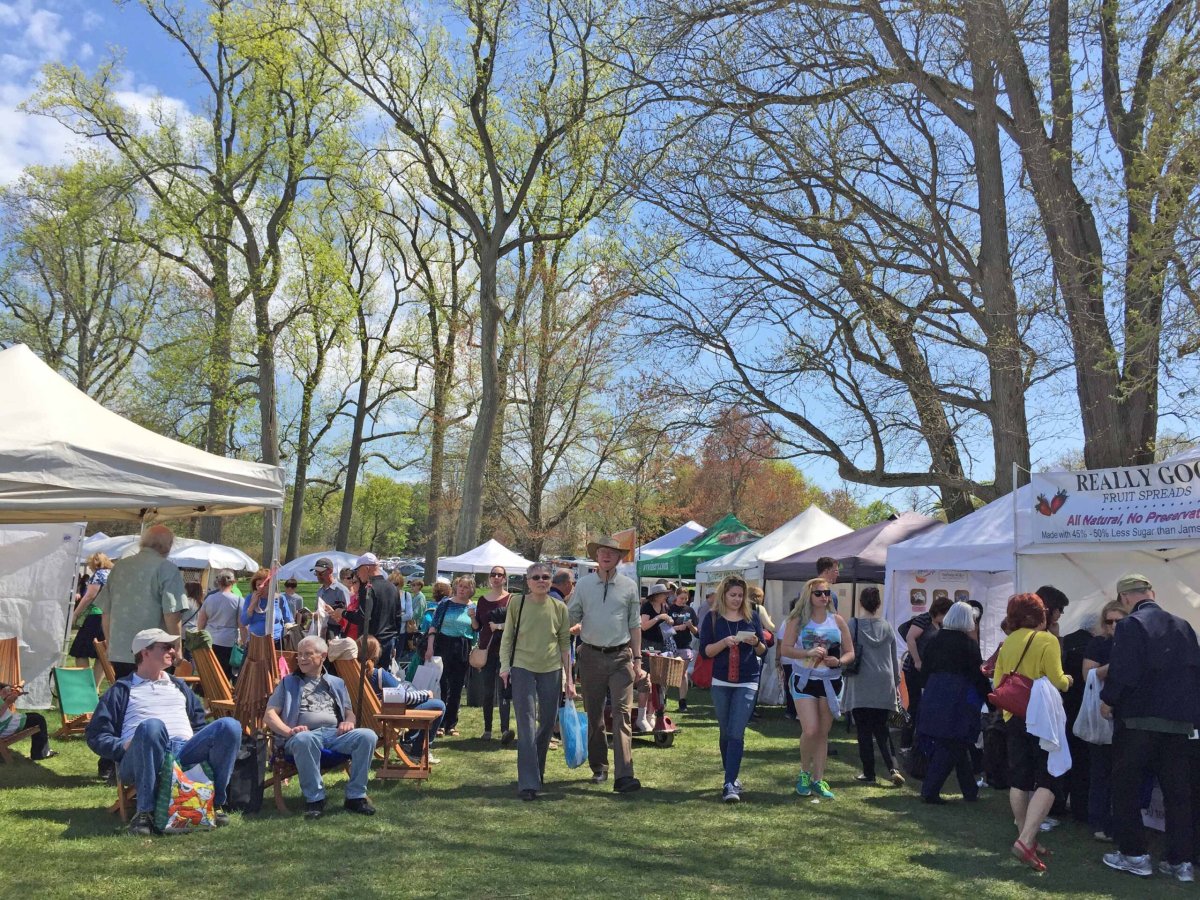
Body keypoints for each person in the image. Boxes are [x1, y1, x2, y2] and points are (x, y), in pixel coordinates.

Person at [85, 628, 242, 835]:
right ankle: (144, 813)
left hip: (185, 752)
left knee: (230, 726)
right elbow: (96, 734)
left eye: (173, 646)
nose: (173, 650)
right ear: (145, 652)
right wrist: (121, 746)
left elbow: (198, 725)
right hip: (142, 754)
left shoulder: (178, 686)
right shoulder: (122, 689)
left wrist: (198, 742)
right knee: (152, 726)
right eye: (166, 646)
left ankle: (215, 802)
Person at [1100, 574, 1200, 882]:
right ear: (1151, 593)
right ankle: (1180, 861)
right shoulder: (1184, 625)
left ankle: (1134, 855)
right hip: (1180, 723)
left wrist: (1108, 699)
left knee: (1127, 787)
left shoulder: (1131, 625)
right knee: (1178, 793)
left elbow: (1123, 672)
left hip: (1139, 721)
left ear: (1126, 598)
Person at [994, 593, 1071, 872]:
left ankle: (1026, 837)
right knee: (1050, 777)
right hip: (1041, 717)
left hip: (1014, 715)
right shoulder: (1047, 640)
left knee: (1020, 778)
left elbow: (997, 680)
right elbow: (1058, 680)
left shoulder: (1008, 642)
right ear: (1041, 614)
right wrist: (1069, 680)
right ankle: (1026, 840)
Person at [262, 635, 377, 819]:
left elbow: (350, 713)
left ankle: (355, 796)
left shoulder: (337, 683)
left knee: (368, 736)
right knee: (305, 738)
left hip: (334, 735)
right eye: (300, 654)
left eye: (308, 654)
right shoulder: (288, 683)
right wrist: (289, 731)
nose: (302, 658)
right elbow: (269, 715)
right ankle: (315, 799)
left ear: (323, 656)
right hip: (302, 736)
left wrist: (349, 722)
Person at [568, 533, 643, 794]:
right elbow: (571, 615)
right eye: (602, 552)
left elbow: (635, 624)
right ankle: (599, 766)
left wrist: (638, 659)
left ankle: (625, 776)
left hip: (621, 656)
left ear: (620, 558)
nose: (606, 555)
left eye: (612, 552)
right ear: (596, 557)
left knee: (622, 715)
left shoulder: (629, 586)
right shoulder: (584, 585)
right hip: (590, 656)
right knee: (595, 716)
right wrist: (571, 626)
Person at [499, 562, 575, 800]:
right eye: (536, 577)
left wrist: (569, 679)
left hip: (551, 669)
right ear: (528, 581)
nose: (541, 581)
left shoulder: (559, 607)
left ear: (551, 581)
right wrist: (504, 668)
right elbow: (507, 637)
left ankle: (537, 771)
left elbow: (565, 644)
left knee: (547, 723)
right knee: (526, 724)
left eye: (545, 577)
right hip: (522, 668)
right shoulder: (517, 603)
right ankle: (528, 783)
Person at [781, 577, 854, 800]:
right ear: (809, 596)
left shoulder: (838, 621)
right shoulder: (798, 620)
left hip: (830, 680)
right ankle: (804, 772)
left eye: (827, 593)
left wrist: (839, 661)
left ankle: (818, 778)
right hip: (805, 679)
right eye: (819, 593)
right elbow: (785, 649)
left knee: (823, 732)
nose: (824, 597)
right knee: (811, 730)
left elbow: (850, 652)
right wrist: (807, 653)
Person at [698, 574, 764, 802]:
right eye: (732, 595)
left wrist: (756, 642)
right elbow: (705, 651)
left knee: (736, 731)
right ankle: (732, 777)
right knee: (726, 732)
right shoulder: (713, 618)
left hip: (747, 679)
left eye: (740, 595)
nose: (737, 599)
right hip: (721, 681)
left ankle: (729, 784)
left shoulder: (751, 617)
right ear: (723, 595)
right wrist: (723, 643)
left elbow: (763, 650)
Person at [916, 602, 990, 803]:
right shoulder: (967, 644)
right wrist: (991, 700)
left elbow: (925, 670)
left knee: (956, 743)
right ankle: (930, 791)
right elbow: (978, 676)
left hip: (935, 692)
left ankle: (970, 791)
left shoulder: (934, 639)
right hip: (958, 697)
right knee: (953, 743)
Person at [100, 525, 188, 678]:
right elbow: (172, 614)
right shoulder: (167, 569)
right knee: (151, 698)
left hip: (121, 650)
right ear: (168, 545)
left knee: (126, 697)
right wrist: (177, 648)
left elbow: (106, 612)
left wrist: (110, 644)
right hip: (154, 652)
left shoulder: (119, 567)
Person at [842, 586, 903, 786]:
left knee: (864, 731)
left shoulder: (854, 624)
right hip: (884, 683)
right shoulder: (887, 626)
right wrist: (896, 681)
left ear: (861, 602)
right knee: (882, 730)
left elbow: (846, 649)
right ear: (878, 604)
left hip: (861, 682)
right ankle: (893, 767)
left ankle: (869, 772)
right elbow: (893, 658)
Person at [1082, 599, 1126, 842]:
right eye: (1108, 621)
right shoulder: (1099, 643)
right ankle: (1098, 821)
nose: (1113, 626)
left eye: (1118, 621)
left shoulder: (1135, 643)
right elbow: (1087, 674)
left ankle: (1120, 822)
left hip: (1128, 715)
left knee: (1123, 772)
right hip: (1101, 713)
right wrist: (1114, 666)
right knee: (1100, 770)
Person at [361, 635, 444, 764]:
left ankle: (409, 742)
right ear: (375, 653)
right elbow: (404, 698)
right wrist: (426, 694)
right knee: (439, 705)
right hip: (389, 716)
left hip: (368, 719)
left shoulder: (354, 675)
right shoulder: (379, 674)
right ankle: (417, 751)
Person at [425, 575, 476, 736]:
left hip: (463, 646)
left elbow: (475, 629)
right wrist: (430, 647)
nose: (462, 589)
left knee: (457, 686)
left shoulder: (472, 607)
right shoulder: (445, 604)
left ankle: (451, 724)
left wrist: (474, 616)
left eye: (466, 587)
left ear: (471, 590)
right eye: (460, 586)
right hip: (443, 644)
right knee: (442, 685)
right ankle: (439, 723)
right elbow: (433, 626)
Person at [901, 595, 953, 745]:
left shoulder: (942, 625)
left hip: (931, 671)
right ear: (939, 611)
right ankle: (906, 742)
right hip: (914, 669)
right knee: (914, 706)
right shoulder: (923, 619)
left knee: (929, 706)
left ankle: (924, 740)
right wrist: (917, 660)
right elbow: (910, 638)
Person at [473, 566, 513, 743]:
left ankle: (505, 730)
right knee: (488, 691)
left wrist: (499, 627)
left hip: (506, 651)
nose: (496, 577)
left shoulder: (512, 600)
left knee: (504, 691)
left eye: (500, 575)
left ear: (505, 578)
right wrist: (472, 617)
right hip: (486, 650)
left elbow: (516, 625)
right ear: (489, 578)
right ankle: (487, 729)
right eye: (493, 574)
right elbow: (477, 627)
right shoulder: (482, 600)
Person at [69, 552, 114, 684]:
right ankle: (95, 686)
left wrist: (76, 613)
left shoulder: (99, 575)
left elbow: (89, 596)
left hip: (96, 616)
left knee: (80, 651)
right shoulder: (114, 574)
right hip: (111, 616)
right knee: (102, 653)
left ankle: (85, 684)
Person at [352, 553, 401, 672]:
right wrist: (395, 642)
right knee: (382, 679)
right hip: (389, 641)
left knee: (368, 681)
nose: (357, 574)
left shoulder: (368, 588)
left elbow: (363, 617)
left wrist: (343, 614)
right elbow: (398, 617)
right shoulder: (392, 588)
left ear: (367, 568)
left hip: (371, 645)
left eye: (358, 570)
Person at [638, 583, 676, 732]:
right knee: (646, 680)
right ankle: (642, 716)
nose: (666, 596)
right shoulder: (647, 607)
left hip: (660, 644)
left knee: (658, 680)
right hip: (647, 644)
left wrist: (669, 621)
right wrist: (659, 617)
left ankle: (651, 713)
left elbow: (667, 623)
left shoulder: (665, 607)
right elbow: (644, 626)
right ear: (655, 595)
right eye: (663, 594)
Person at [196, 569, 245, 680]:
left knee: (210, 671)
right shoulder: (238, 600)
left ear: (218, 582)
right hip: (227, 640)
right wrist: (244, 641)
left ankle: (209, 692)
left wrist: (200, 635)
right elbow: (241, 624)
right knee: (224, 673)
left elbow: (201, 620)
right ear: (233, 582)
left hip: (209, 638)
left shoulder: (209, 599)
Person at [0, 681, 54, 760]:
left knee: (36, 717)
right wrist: (7, 702)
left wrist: (11, 693)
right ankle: (40, 754)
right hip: (6, 727)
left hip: (6, 723)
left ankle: (41, 752)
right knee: (39, 720)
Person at [240, 567, 293, 645]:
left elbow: (288, 620)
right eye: (258, 585)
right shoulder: (250, 598)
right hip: (255, 641)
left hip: (276, 641)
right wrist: (252, 605)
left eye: (265, 585)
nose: (261, 587)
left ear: (271, 585)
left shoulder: (280, 598)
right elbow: (244, 622)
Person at [668, 584, 699, 712]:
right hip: (670, 645)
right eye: (682, 598)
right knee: (668, 673)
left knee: (682, 673)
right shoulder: (670, 609)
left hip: (685, 645)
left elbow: (697, 632)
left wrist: (690, 626)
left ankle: (682, 702)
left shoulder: (690, 611)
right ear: (676, 597)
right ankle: (662, 700)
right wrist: (676, 628)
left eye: (686, 599)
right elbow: (664, 628)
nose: (684, 601)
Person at [313, 557, 348, 639]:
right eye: (316, 573)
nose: (318, 576)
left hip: (336, 632)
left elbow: (348, 616)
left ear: (331, 571)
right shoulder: (320, 591)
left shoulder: (341, 590)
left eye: (320, 573)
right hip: (321, 631)